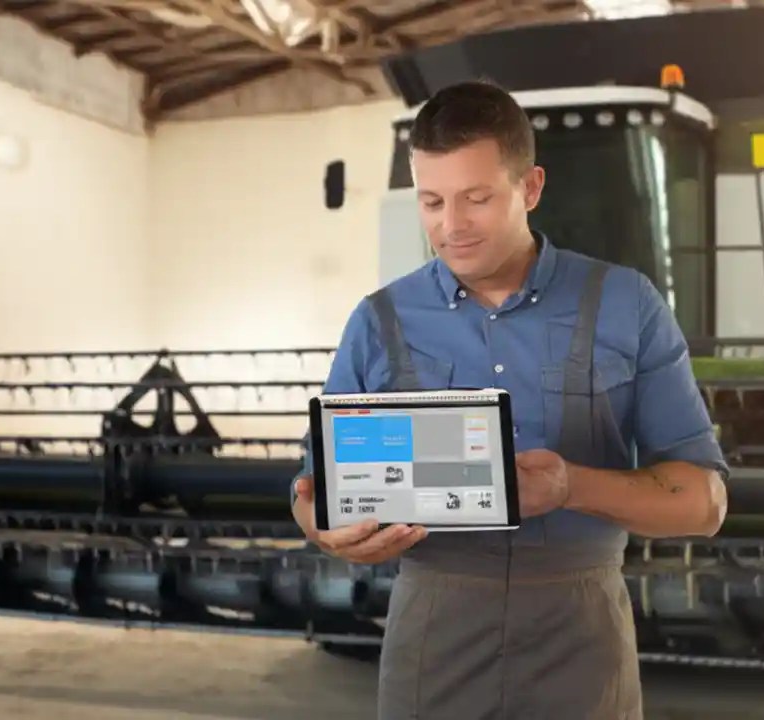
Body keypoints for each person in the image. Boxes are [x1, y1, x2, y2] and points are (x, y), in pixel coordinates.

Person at [290, 80, 729, 720]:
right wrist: (328, 532)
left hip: (580, 635)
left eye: (476, 198)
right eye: (432, 201)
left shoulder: (625, 304)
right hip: (433, 626)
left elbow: (704, 503)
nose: (451, 225)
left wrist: (570, 486)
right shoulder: (378, 320)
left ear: (530, 188)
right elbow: (310, 488)